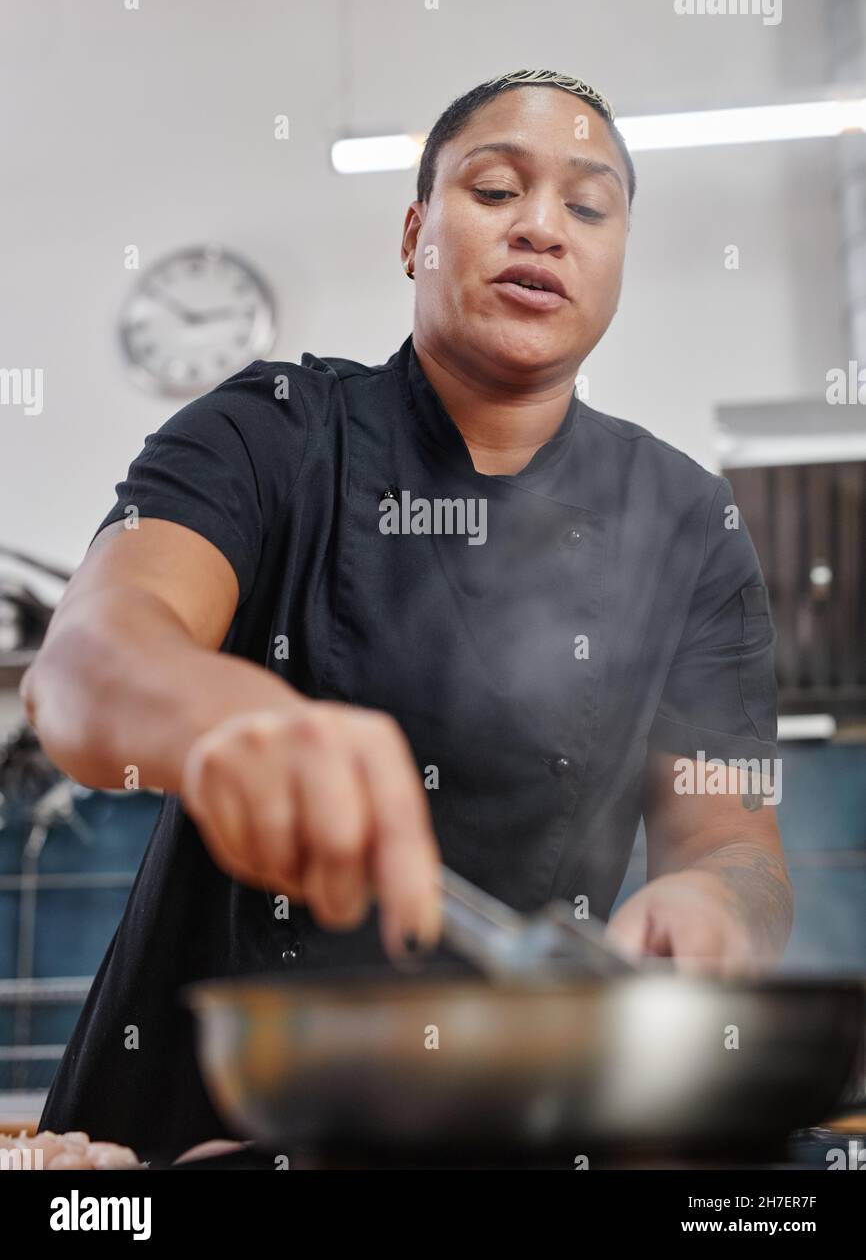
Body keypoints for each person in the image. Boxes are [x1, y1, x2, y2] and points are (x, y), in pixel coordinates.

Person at [22, 67, 792, 1163]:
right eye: (492, 190)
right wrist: (216, 717)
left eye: (586, 206)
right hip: (187, 1129)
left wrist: (716, 910)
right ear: (412, 233)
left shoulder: (682, 518)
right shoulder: (270, 432)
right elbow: (89, 660)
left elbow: (733, 840)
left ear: (617, 259)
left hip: (502, 1132)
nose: (540, 227)